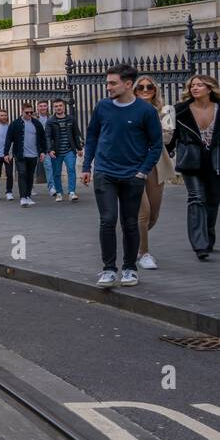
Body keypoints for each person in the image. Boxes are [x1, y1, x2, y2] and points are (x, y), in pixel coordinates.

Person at [82, 63, 163, 287]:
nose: (107, 87)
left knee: (130, 223)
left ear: (128, 84)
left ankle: (129, 268)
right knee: (107, 221)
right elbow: (92, 138)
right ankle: (108, 270)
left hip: (132, 176)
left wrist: (142, 171)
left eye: (112, 83)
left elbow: (155, 145)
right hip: (105, 173)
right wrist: (87, 166)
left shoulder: (146, 111)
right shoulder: (102, 107)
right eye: (108, 82)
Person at [168, 74, 220, 261]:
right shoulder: (180, 111)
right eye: (192, 86)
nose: (195, 88)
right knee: (197, 198)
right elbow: (170, 138)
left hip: (216, 162)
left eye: (200, 85)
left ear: (210, 88)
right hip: (191, 161)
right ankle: (200, 245)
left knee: (213, 202)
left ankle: (208, 237)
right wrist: (167, 150)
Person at [132, 77, 174, 270]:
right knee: (143, 212)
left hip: (157, 165)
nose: (145, 89)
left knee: (153, 216)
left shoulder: (166, 111)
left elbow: (166, 137)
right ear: (134, 90)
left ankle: (131, 239)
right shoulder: (128, 109)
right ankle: (143, 252)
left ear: (155, 90)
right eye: (141, 87)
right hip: (133, 165)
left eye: (149, 87)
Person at [3, 103, 49, 207]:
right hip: (20, 155)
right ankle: (23, 198)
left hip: (33, 155)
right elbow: (9, 139)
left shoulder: (37, 124)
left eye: (31, 112)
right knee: (22, 173)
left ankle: (28, 196)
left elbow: (42, 139)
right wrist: (6, 153)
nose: (29, 114)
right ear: (22, 111)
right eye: (27, 112)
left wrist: (42, 152)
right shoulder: (15, 124)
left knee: (30, 176)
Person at [44, 99, 83, 202]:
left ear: (64, 107)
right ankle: (59, 193)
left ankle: (71, 192)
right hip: (56, 151)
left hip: (69, 150)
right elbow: (47, 136)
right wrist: (49, 150)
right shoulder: (50, 121)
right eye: (56, 106)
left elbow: (76, 134)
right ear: (53, 108)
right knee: (56, 173)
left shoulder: (71, 119)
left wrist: (79, 148)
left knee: (71, 169)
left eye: (60, 105)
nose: (58, 108)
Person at [35, 100, 58, 198]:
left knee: (49, 166)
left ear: (47, 107)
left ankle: (51, 187)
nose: (43, 108)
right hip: (34, 146)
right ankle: (29, 187)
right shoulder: (33, 119)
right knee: (32, 168)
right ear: (37, 108)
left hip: (47, 146)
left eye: (44, 106)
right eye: (41, 106)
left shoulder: (52, 118)